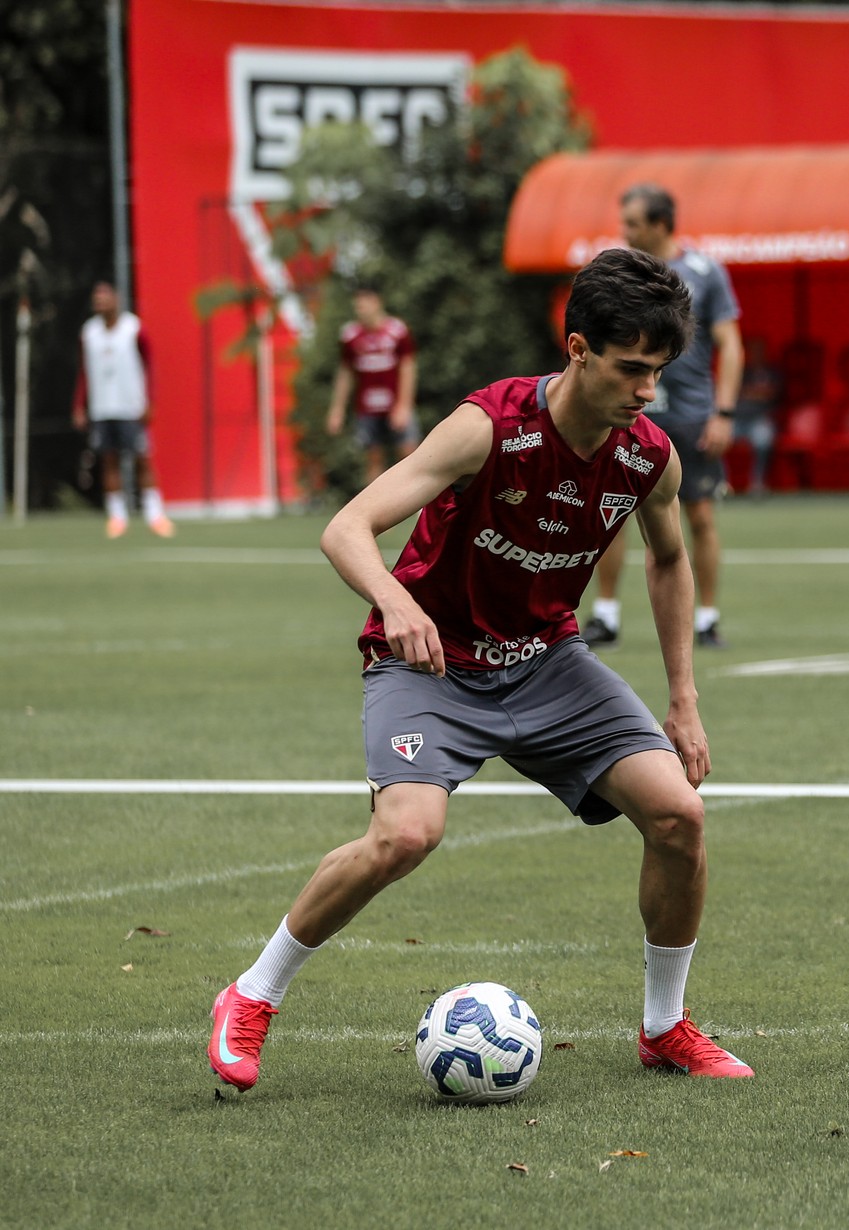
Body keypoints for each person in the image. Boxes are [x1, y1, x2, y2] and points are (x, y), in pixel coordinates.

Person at [207, 247, 754, 1091]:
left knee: (680, 815)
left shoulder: (647, 455)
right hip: (433, 665)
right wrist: (395, 601)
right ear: (576, 349)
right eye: (632, 369)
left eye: (660, 373)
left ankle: (663, 1027)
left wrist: (684, 699)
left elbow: (670, 561)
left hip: (548, 664)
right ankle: (250, 995)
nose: (649, 392)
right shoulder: (489, 427)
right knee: (405, 835)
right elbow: (348, 527)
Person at [582, 185, 743, 649]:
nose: (624, 231)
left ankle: (706, 619)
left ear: (659, 224)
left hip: (692, 415)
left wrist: (725, 412)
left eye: (632, 222)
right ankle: (605, 616)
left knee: (700, 516)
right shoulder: (619, 274)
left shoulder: (705, 271)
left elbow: (730, 343)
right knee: (607, 512)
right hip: (626, 411)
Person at [72, 280, 175, 539]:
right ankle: (117, 517)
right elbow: (84, 372)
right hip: (102, 408)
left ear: (115, 299)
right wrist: (79, 405)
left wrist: (150, 401)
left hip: (131, 407)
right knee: (109, 461)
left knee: (142, 459)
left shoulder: (133, 328)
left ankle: (155, 515)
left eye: (105, 297)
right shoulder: (89, 333)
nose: (100, 302)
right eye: (97, 299)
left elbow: (149, 365)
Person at [324, 280, 419, 485]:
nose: (360, 309)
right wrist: (337, 409)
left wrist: (404, 405)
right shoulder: (351, 335)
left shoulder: (397, 331)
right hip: (367, 408)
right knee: (373, 458)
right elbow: (346, 373)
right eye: (357, 305)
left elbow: (408, 368)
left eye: (363, 303)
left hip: (395, 405)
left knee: (409, 454)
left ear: (376, 302)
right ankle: (372, 510)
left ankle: (423, 509)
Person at [733, 336, 782, 497]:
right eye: (753, 350)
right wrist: (757, 393)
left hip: (760, 420)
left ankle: (757, 483)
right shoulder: (742, 371)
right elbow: (735, 393)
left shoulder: (773, 372)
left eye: (760, 350)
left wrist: (751, 393)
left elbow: (773, 394)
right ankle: (722, 483)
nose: (756, 354)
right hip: (737, 420)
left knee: (763, 440)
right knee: (716, 439)